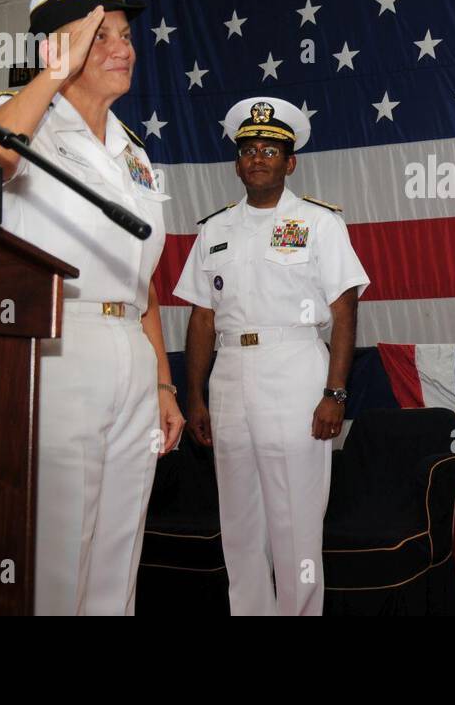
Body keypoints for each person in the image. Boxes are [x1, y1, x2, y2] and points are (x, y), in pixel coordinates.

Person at [0, 0, 185, 615]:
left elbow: (143, 275)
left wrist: (163, 380)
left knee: (118, 552)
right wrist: (50, 72)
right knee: (57, 549)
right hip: (57, 345)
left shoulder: (134, 150)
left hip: (130, 346)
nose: (123, 48)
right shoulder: (24, 119)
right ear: (59, 47)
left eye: (125, 34)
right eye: (102, 36)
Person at [173, 97, 368, 615]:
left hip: (296, 368)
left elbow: (344, 311)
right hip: (230, 375)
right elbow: (202, 318)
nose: (258, 157)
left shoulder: (319, 223)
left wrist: (335, 392)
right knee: (238, 522)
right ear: (237, 162)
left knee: (296, 520)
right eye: (248, 150)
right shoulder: (213, 230)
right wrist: (194, 395)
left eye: (270, 149)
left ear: (290, 161)